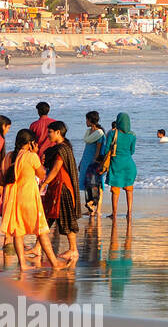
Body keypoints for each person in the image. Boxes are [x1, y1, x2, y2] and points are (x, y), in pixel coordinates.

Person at [1, 129, 72, 270]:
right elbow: (41, 174)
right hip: (29, 198)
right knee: (41, 231)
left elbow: (3, 177)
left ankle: (23, 265)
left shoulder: (9, 156)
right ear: (30, 143)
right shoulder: (31, 156)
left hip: (13, 199)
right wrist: (36, 154)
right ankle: (54, 263)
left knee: (18, 233)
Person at [40, 121, 80, 258]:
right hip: (56, 185)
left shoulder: (62, 149)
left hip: (62, 187)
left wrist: (44, 183)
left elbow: (56, 168)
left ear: (58, 132)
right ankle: (37, 247)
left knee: (66, 218)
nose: (48, 135)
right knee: (48, 217)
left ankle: (73, 249)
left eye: (50, 132)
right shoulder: (60, 148)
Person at [102, 113, 137, 221]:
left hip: (116, 164)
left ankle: (114, 213)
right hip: (129, 165)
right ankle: (129, 213)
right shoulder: (133, 135)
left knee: (115, 191)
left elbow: (106, 150)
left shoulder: (112, 133)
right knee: (129, 190)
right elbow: (132, 151)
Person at [80, 111, 105, 218]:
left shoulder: (99, 133)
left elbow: (98, 150)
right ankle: (91, 210)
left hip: (94, 162)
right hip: (86, 160)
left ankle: (98, 209)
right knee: (87, 185)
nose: (86, 121)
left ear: (91, 120)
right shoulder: (88, 132)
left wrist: (94, 163)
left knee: (96, 185)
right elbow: (86, 148)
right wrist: (82, 161)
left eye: (87, 119)